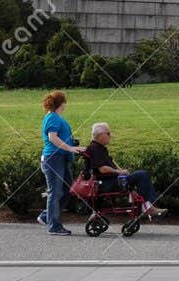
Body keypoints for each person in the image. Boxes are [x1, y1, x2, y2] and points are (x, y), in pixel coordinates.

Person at [83, 123, 166, 217]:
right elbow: (103, 169)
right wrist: (119, 172)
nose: (111, 136)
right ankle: (147, 206)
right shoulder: (95, 149)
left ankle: (147, 205)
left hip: (110, 181)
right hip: (108, 184)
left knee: (140, 176)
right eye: (108, 133)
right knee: (142, 175)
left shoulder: (97, 148)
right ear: (101, 135)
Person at [40, 91, 84, 236]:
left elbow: (61, 137)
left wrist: (73, 144)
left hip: (61, 158)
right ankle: (54, 226)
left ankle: (47, 216)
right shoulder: (52, 117)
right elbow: (52, 138)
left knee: (66, 189)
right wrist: (70, 147)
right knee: (55, 192)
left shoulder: (56, 117)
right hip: (53, 158)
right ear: (62, 103)